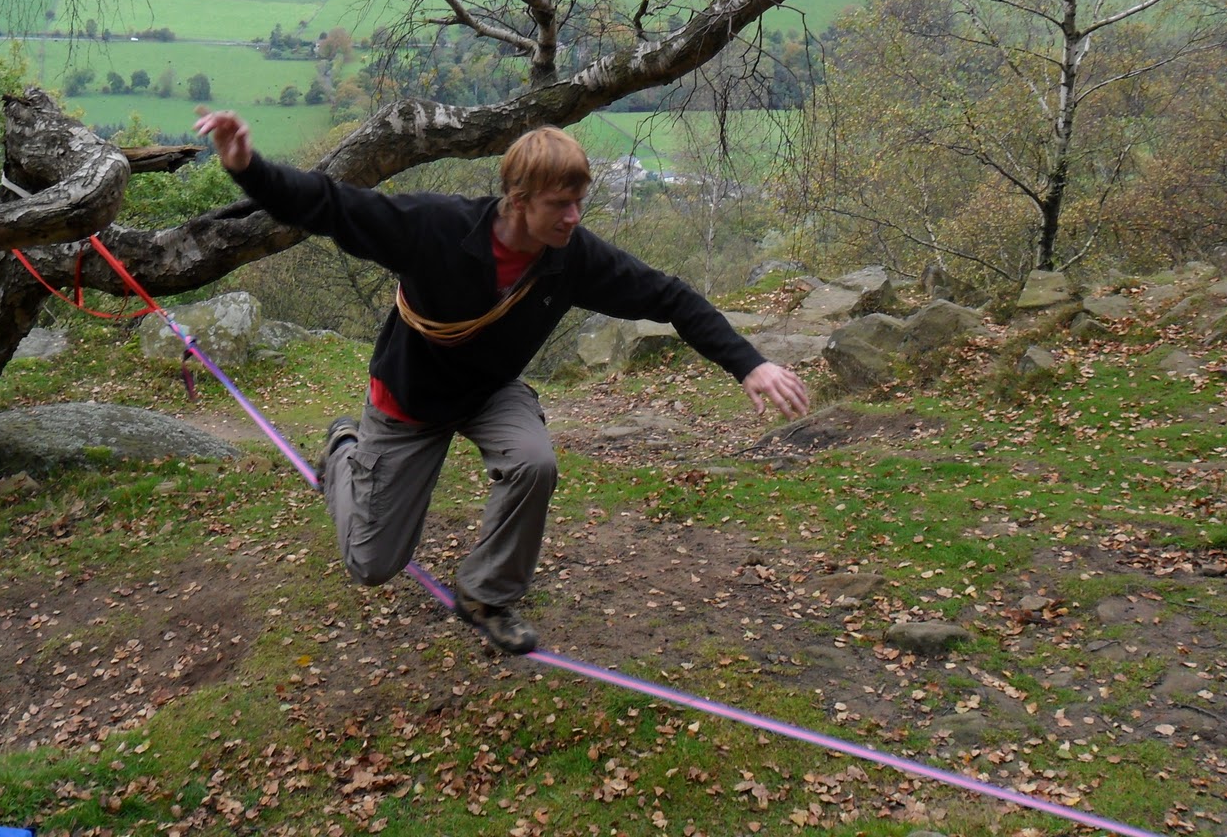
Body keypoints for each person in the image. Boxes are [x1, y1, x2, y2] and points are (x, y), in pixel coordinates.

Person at [195, 111, 810, 654]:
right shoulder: (433, 228)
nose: (574, 216)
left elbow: (669, 297)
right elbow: (329, 204)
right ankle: (343, 452)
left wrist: (749, 363)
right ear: (518, 200)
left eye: (579, 201)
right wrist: (248, 167)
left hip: (490, 392)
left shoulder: (573, 256)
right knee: (371, 565)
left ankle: (486, 596)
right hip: (408, 401)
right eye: (559, 204)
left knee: (534, 462)